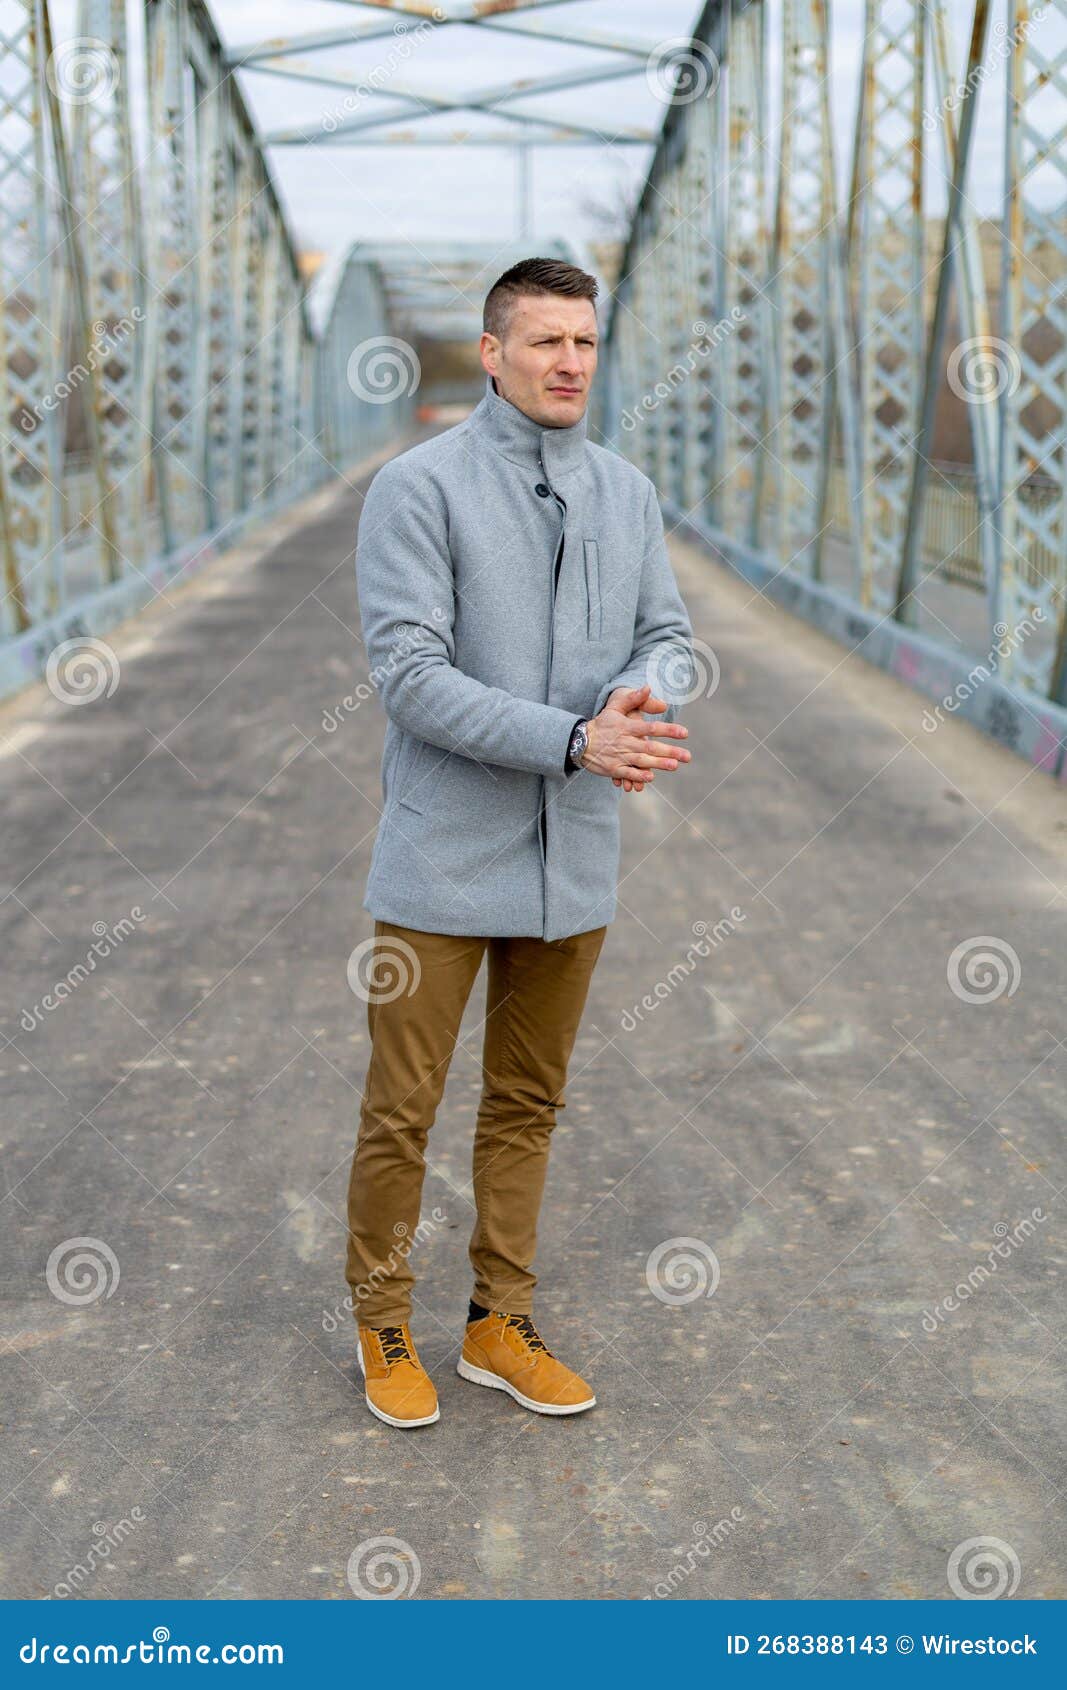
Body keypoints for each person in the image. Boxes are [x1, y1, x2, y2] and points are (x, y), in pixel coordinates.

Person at [345, 256, 695, 1428]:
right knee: (403, 1107)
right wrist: (573, 741)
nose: (568, 364)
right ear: (490, 354)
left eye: (584, 342)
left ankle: (499, 1321)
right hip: (443, 856)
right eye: (543, 341)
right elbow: (409, 677)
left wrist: (638, 700)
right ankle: (383, 1319)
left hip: (572, 856)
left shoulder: (625, 491)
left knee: (527, 1102)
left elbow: (667, 633)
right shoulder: (417, 487)